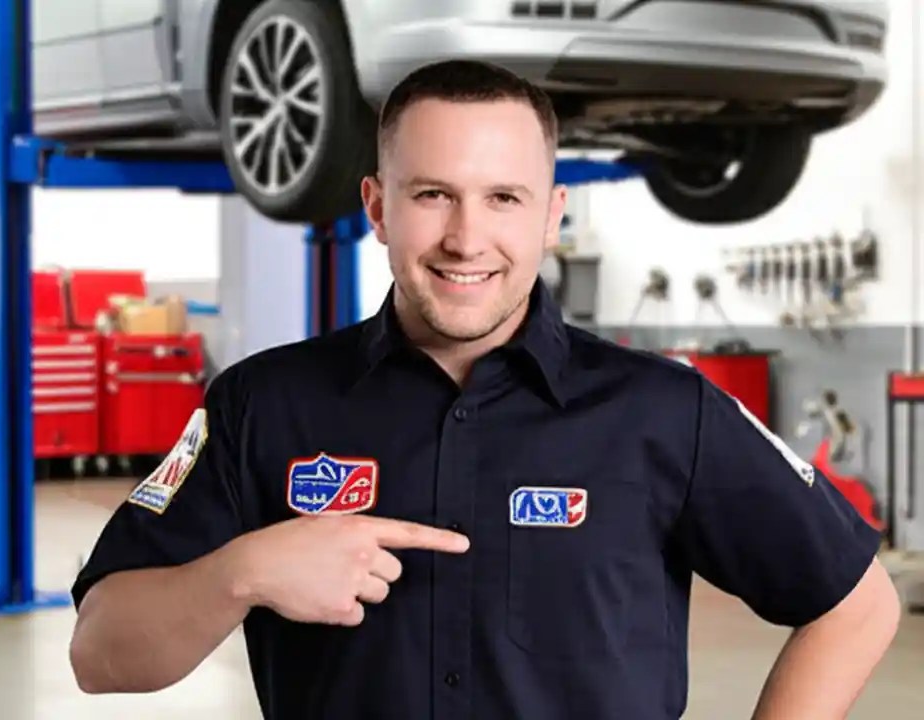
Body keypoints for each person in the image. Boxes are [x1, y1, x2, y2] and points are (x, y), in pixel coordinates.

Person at [67, 60, 901, 719]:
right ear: (378, 207)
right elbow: (100, 654)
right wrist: (242, 571)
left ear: (551, 214)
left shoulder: (663, 411)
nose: (467, 239)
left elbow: (857, 606)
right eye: (433, 194)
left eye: (504, 197)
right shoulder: (262, 405)